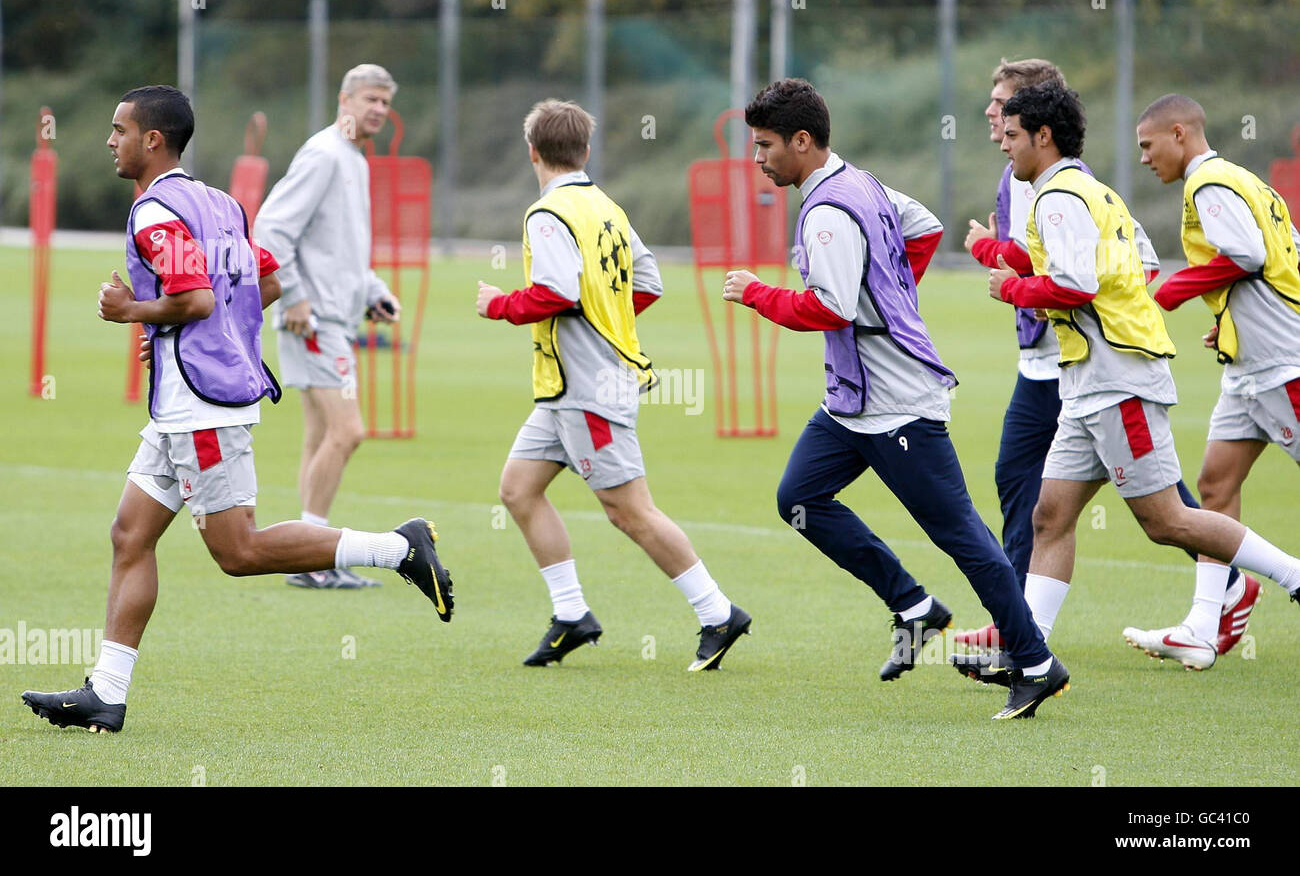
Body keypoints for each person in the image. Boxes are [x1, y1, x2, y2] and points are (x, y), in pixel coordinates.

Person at [21, 86, 452, 735]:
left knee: (238, 550)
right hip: (183, 404)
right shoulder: (221, 204)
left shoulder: (153, 212)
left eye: (119, 130)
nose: (110, 140)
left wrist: (131, 312)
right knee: (129, 536)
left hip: (201, 408)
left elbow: (193, 297)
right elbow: (267, 279)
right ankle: (105, 693)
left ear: (153, 141)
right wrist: (216, 337)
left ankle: (398, 547)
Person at [724, 78, 1066, 720]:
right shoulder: (862, 182)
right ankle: (914, 607)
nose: (758, 158)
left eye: (766, 145)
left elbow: (826, 307)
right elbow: (925, 226)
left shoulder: (827, 210)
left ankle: (1037, 663)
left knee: (961, 535)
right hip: (853, 400)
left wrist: (757, 294)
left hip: (898, 402)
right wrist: (892, 293)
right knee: (798, 499)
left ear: (803, 141)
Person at [965, 82, 1300, 682]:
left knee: (1166, 519)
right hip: (1090, 381)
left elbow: (1075, 285)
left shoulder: (1059, 196)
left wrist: (1011, 287)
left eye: (1012, 135)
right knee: (1051, 515)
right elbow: (1136, 265)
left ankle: (1292, 576)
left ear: (1043, 137)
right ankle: (1031, 655)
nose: (1004, 146)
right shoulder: (1090, 191)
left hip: (1120, 380)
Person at [476, 99, 751, 671]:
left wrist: (498, 304)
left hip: (590, 388)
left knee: (630, 511)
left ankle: (718, 613)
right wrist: (612, 321)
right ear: (586, 150)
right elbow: (646, 282)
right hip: (564, 388)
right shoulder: (606, 206)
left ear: (533, 152)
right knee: (518, 490)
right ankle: (572, 614)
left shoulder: (547, 213)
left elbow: (555, 292)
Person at [1122, 93, 1300, 656]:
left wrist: (1174, 289)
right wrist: (1229, 322)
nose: (1145, 159)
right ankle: (1203, 625)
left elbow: (1245, 254)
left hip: (1280, 364)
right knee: (1216, 486)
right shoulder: (1244, 180)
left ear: (1180, 134)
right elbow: (1285, 255)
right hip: (1247, 367)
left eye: (1148, 146)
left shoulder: (1210, 183)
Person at [254, 64, 403, 589]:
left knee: (320, 435)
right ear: (344, 99)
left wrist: (373, 291)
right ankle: (313, 558)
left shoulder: (354, 159)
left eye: (385, 102)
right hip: (312, 320)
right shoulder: (323, 153)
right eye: (370, 99)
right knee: (348, 431)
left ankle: (308, 554)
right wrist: (292, 296)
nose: (378, 109)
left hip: (334, 314)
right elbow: (271, 226)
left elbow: (340, 249)